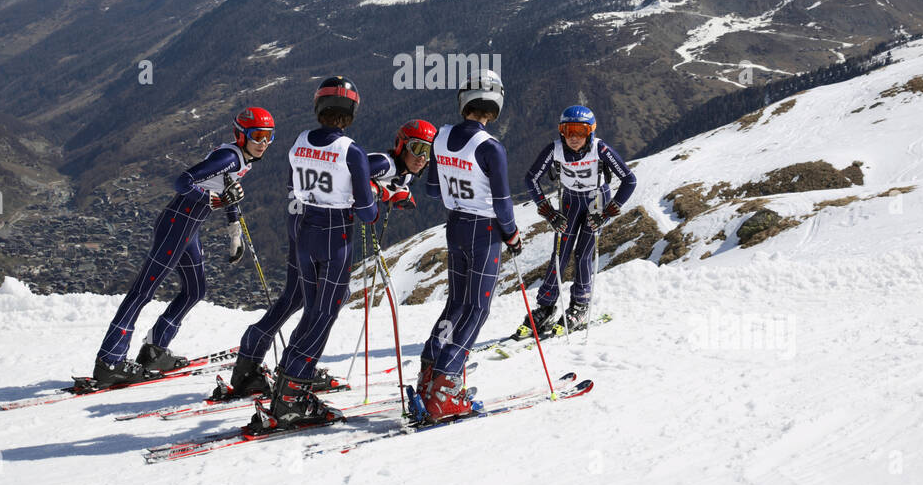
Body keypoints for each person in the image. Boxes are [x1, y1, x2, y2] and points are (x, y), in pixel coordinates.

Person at [227, 118, 436, 398]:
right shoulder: (385, 164)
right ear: (401, 145)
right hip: (312, 222)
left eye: (428, 151)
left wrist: (393, 191)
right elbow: (349, 183)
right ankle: (290, 368)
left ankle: (268, 360)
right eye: (417, 148)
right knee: (306, 299)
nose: (423, 157)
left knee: (300, 297)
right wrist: (383, 192)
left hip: (303, 219)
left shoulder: (402, 170)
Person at [90, 107, 275, 386]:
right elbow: (183, 182)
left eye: (269, 137)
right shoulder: (228, 157)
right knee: (142, 292)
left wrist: (234, 232)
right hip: (175, 226)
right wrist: (213, 200)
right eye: (257, 136)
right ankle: (109, 361)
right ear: (241, 136)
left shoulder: (241, 159)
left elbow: (227, 191)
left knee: (195, 290)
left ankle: (155, 350)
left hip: (189, 229)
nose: (263, 143)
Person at [246, 77, 379, 432]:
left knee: (311, 309)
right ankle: (293, 397)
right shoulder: (351, 150)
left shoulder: (299, 142)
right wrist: (373, 198)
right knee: (325, 314)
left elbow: (293, 188)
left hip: (305, 229)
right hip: (336, 235)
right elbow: (367, 212)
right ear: (350, 111)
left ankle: (288, 382)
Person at [417, 69, 522, 422]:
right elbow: (503, 203)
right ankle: (446, 387)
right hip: (484, 231)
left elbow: (432, 189)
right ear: (496, 106)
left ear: (463, 100)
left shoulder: (441, 137)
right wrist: (512, 234)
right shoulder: (491, 147)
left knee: (456, 303)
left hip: (455, 224)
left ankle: (429, 373)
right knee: (477, 309)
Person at [518, 104, 636, 337]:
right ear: (561, 131)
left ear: (590, 131)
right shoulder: (556, 149)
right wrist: (547, 210)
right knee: (560, 254)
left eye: (580, 131)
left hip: (596, 201)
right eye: (568, 130)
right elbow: (531, 178)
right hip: (570, 201)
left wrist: (608, 211)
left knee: (583, 254)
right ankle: (545, 307)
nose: (573, 137)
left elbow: (629, 180)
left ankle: (580, 306)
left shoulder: (600, 149)